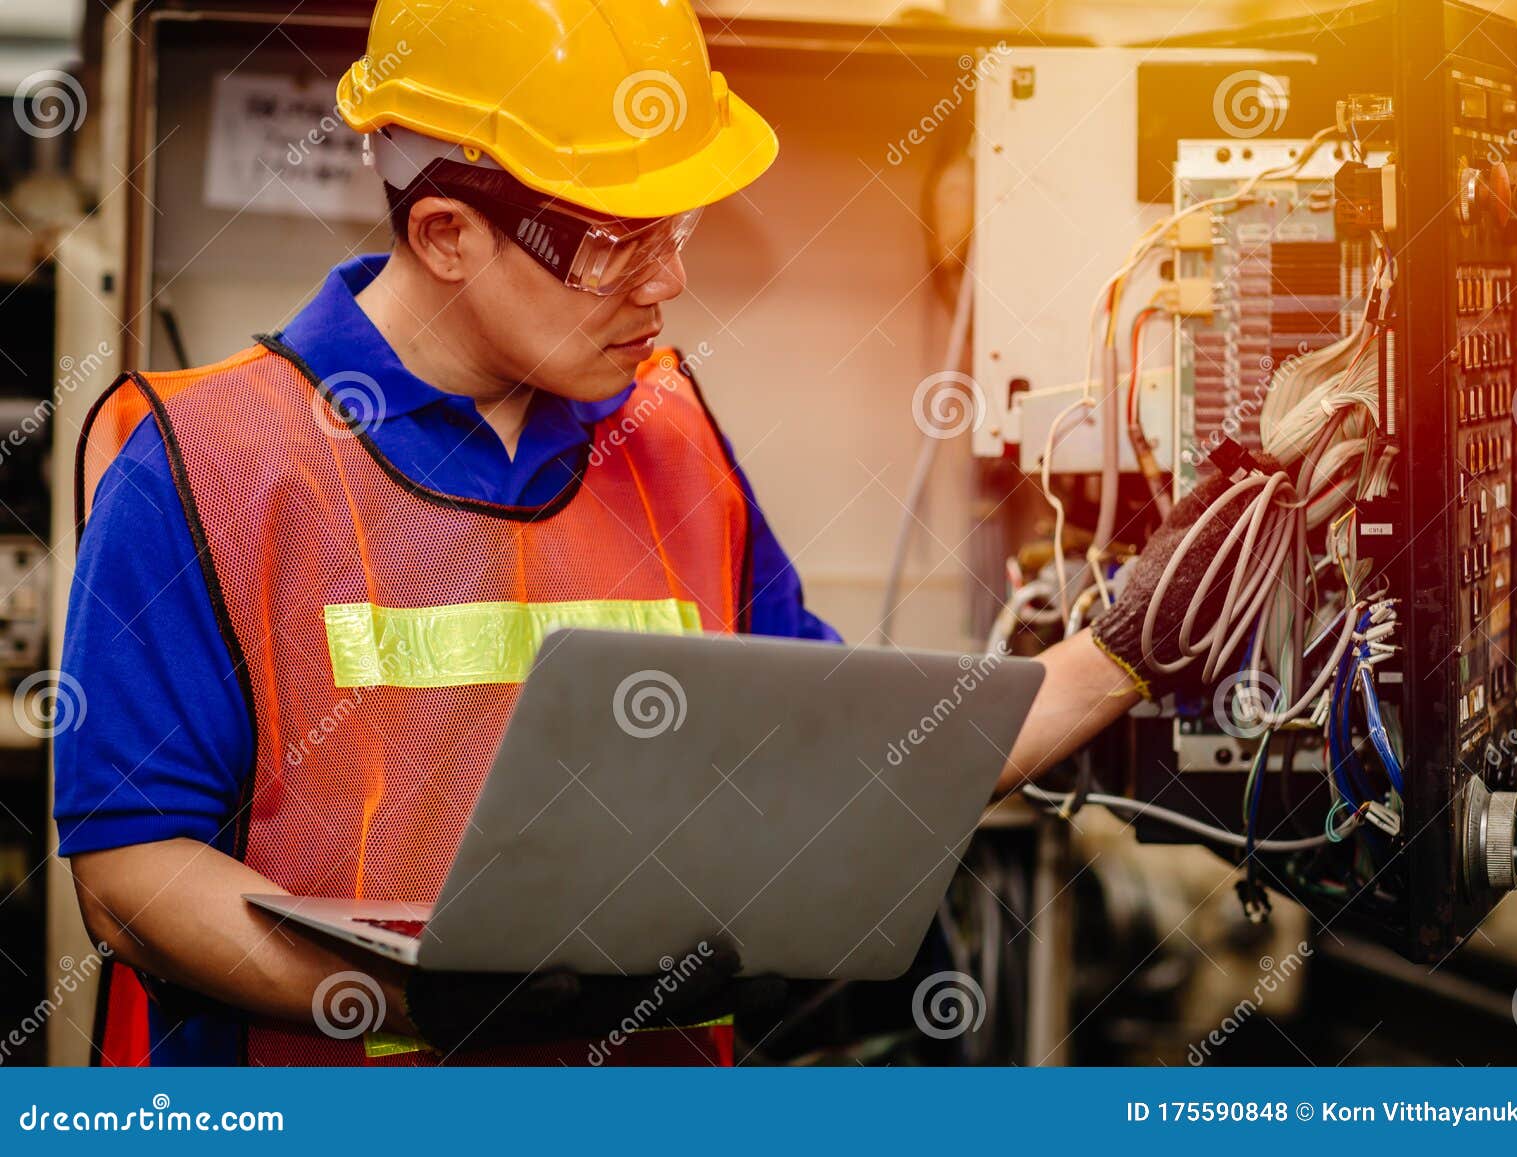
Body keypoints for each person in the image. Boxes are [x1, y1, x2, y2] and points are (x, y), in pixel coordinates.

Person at [54, 0, 1213, 1067]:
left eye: (679, 223)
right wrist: (418, 1002)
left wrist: (1124, 643)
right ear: (449, 232)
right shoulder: (204, 457)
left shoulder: (664, 433)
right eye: (614, 239)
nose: (668, 279)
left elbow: (851, 760)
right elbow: (132, 878)